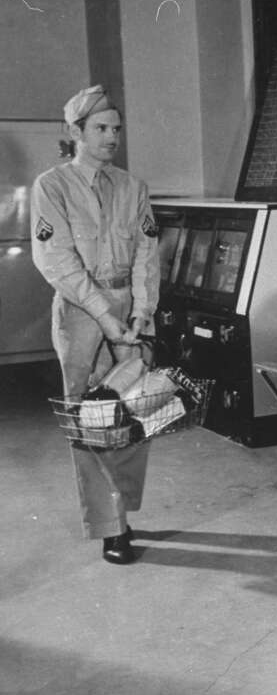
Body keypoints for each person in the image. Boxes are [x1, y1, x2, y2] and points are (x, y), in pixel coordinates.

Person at [31, 85, 160, 565]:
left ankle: (122, 509)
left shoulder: (133, 187)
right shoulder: (52, 187)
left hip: (128, 309)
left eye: (117, 129)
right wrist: (106, 318)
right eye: (101, 129)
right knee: (87, 417)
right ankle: (111, 528)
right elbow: (58, 261)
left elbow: (148, 256)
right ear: (76, 132)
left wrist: (141, 313)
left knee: (134, 409)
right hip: (82, 312)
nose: (111, 137)